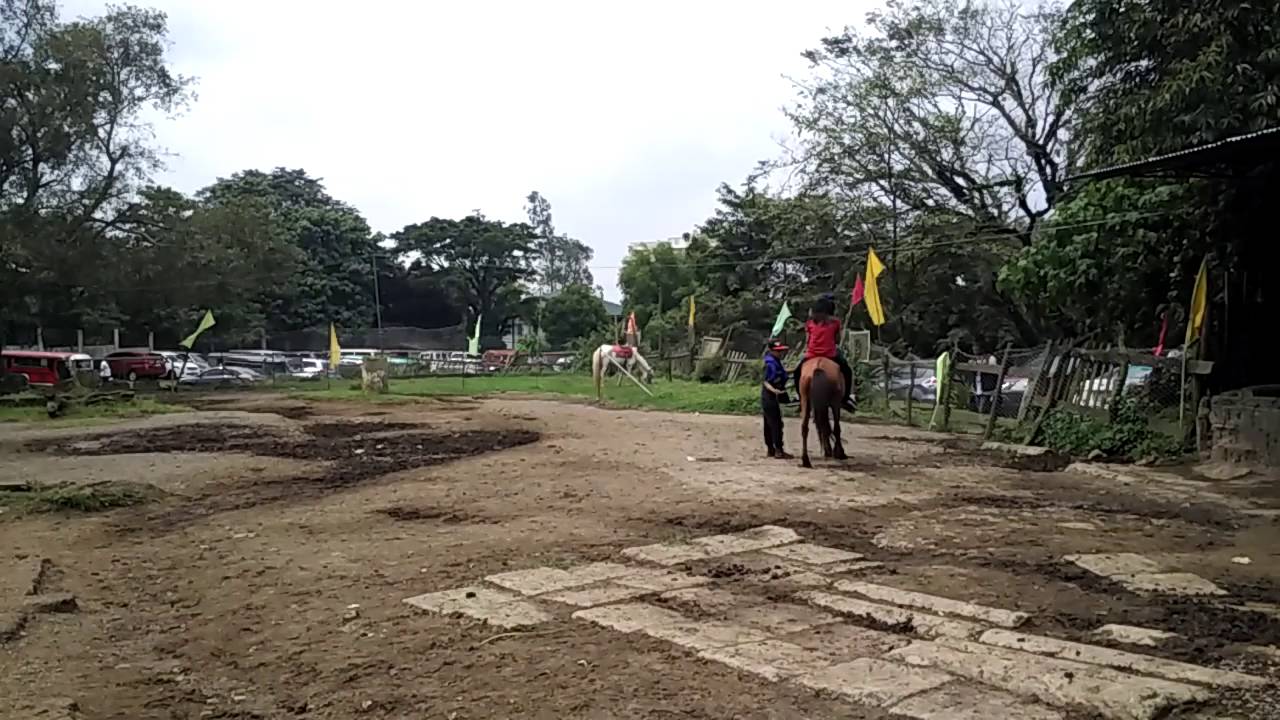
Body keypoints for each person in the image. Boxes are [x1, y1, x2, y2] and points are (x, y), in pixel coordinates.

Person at [794, 294, 856, 412]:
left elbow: (807, 340)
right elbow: (837, 340)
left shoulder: (810, 323)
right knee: (847, 371)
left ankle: (800, 397)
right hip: (830, 355)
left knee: (797, 372)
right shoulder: (835, 323)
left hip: (811, 355)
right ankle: (847, 398)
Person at [761, 339, 792, 459]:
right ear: (771, 351)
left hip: (772, 396)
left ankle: (771, 450)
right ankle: (778, 450)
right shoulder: (769, 364)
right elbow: (765, 381)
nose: (780, 353)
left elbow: (782, 373)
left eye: (781, 351)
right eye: (778, 351)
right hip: (769, 397)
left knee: (769, 423)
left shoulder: (775, 362)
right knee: (776, 424)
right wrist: (775, 391)